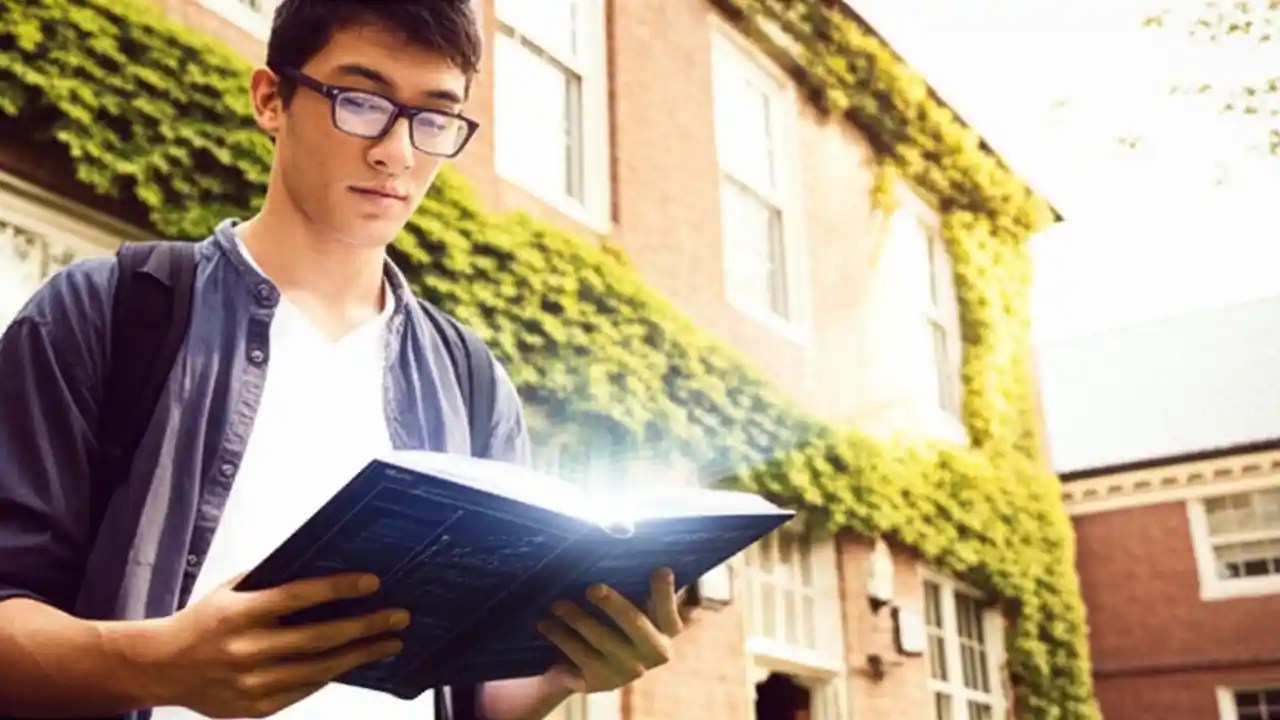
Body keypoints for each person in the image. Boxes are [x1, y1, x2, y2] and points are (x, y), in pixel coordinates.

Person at [0, 1, 689, 718]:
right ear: (272, 100)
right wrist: (158, 667)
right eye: (360, 102)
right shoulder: (109, 312)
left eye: (433, 117)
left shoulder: (473, 384)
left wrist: (561, 677)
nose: (398, 152)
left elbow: (466, 698)